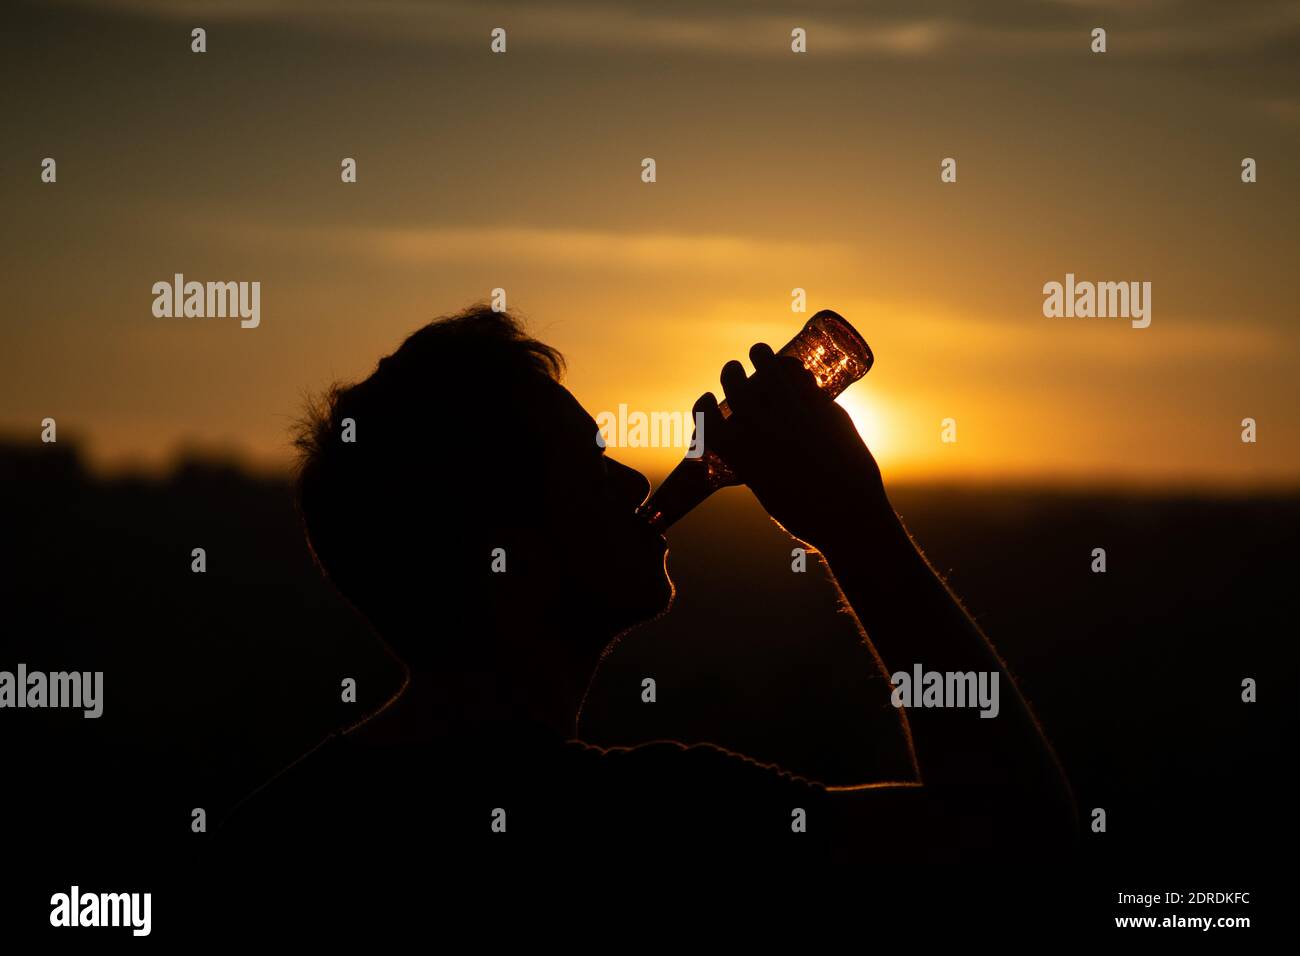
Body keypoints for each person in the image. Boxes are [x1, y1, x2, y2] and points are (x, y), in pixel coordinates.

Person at [220, 304, 1076, 861]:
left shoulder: (273, 831)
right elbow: (1024, 850)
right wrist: (859, 529)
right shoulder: (655, 827)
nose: (634, 483)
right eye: (587, 466)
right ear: (498, 541)